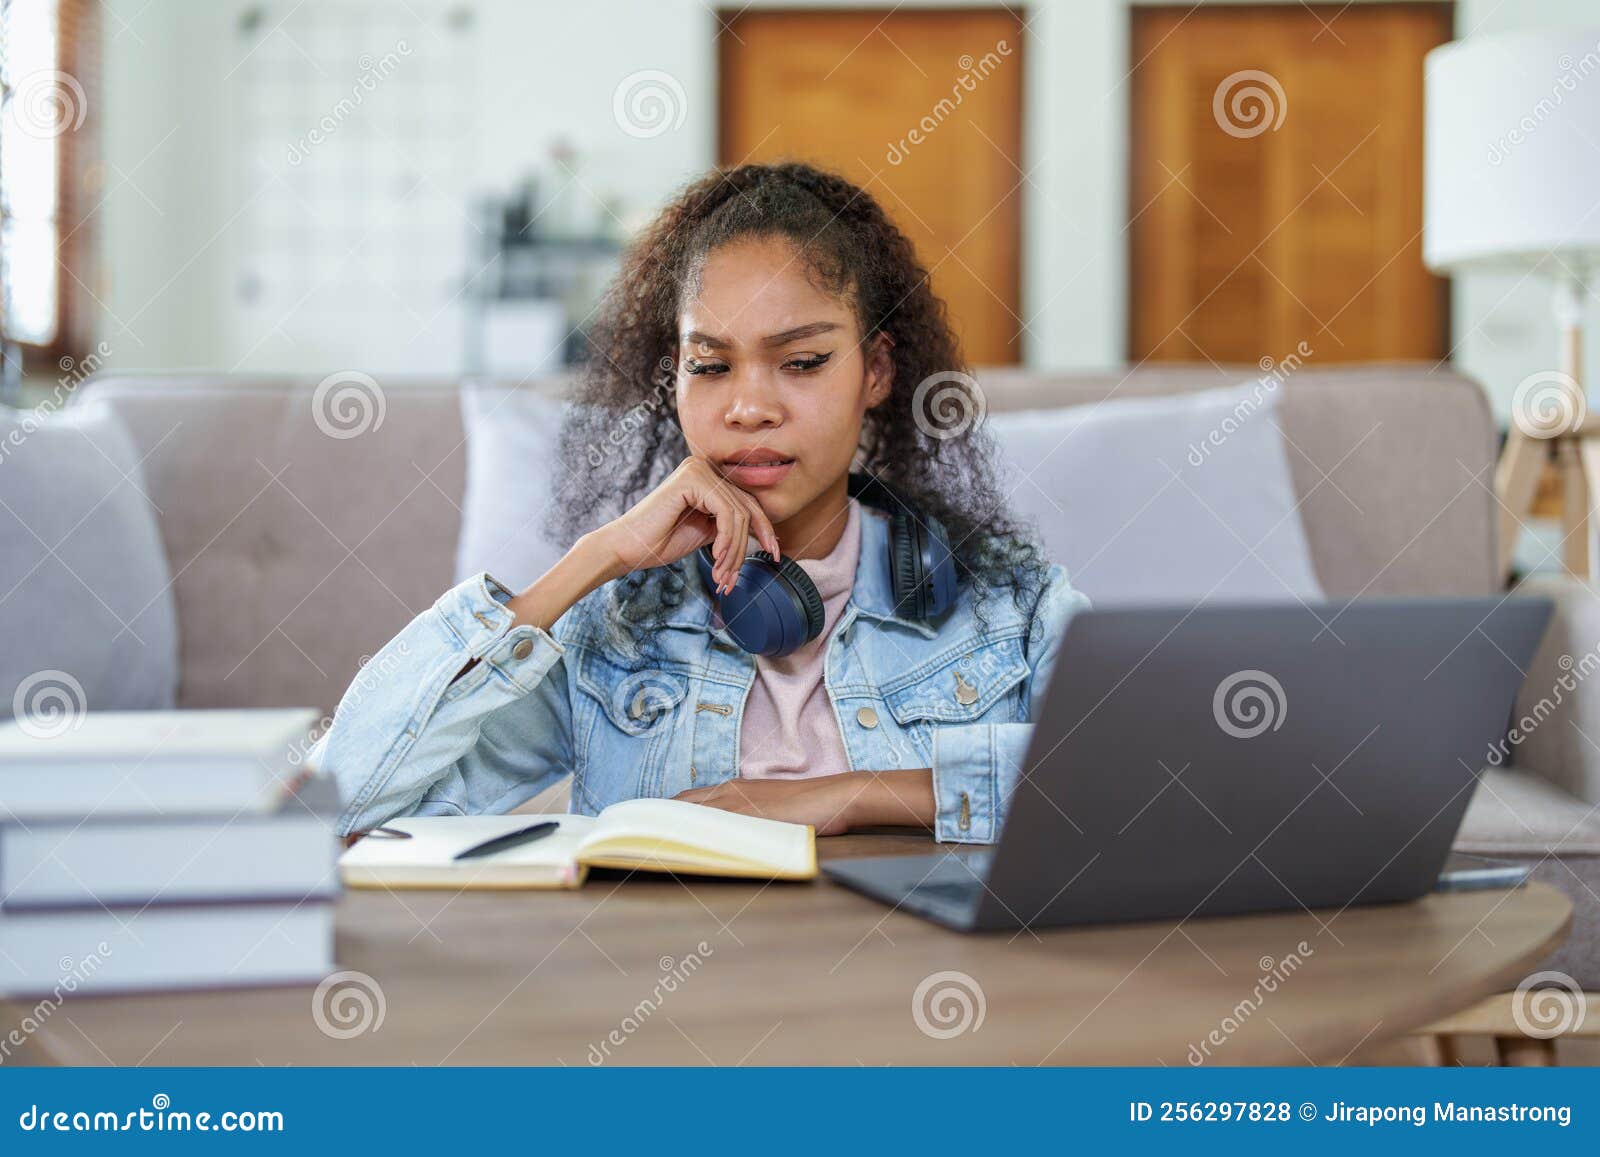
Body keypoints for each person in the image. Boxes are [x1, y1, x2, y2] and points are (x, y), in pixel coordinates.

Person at [320, 161, 1089, 843]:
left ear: (876, 371)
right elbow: (336, 809)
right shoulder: (614, 631)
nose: (749, 407)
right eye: (710, 365)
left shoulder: (1006, 606)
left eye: (802, 361)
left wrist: (852, 796)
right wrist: (593, 561)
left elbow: (1149, 784)